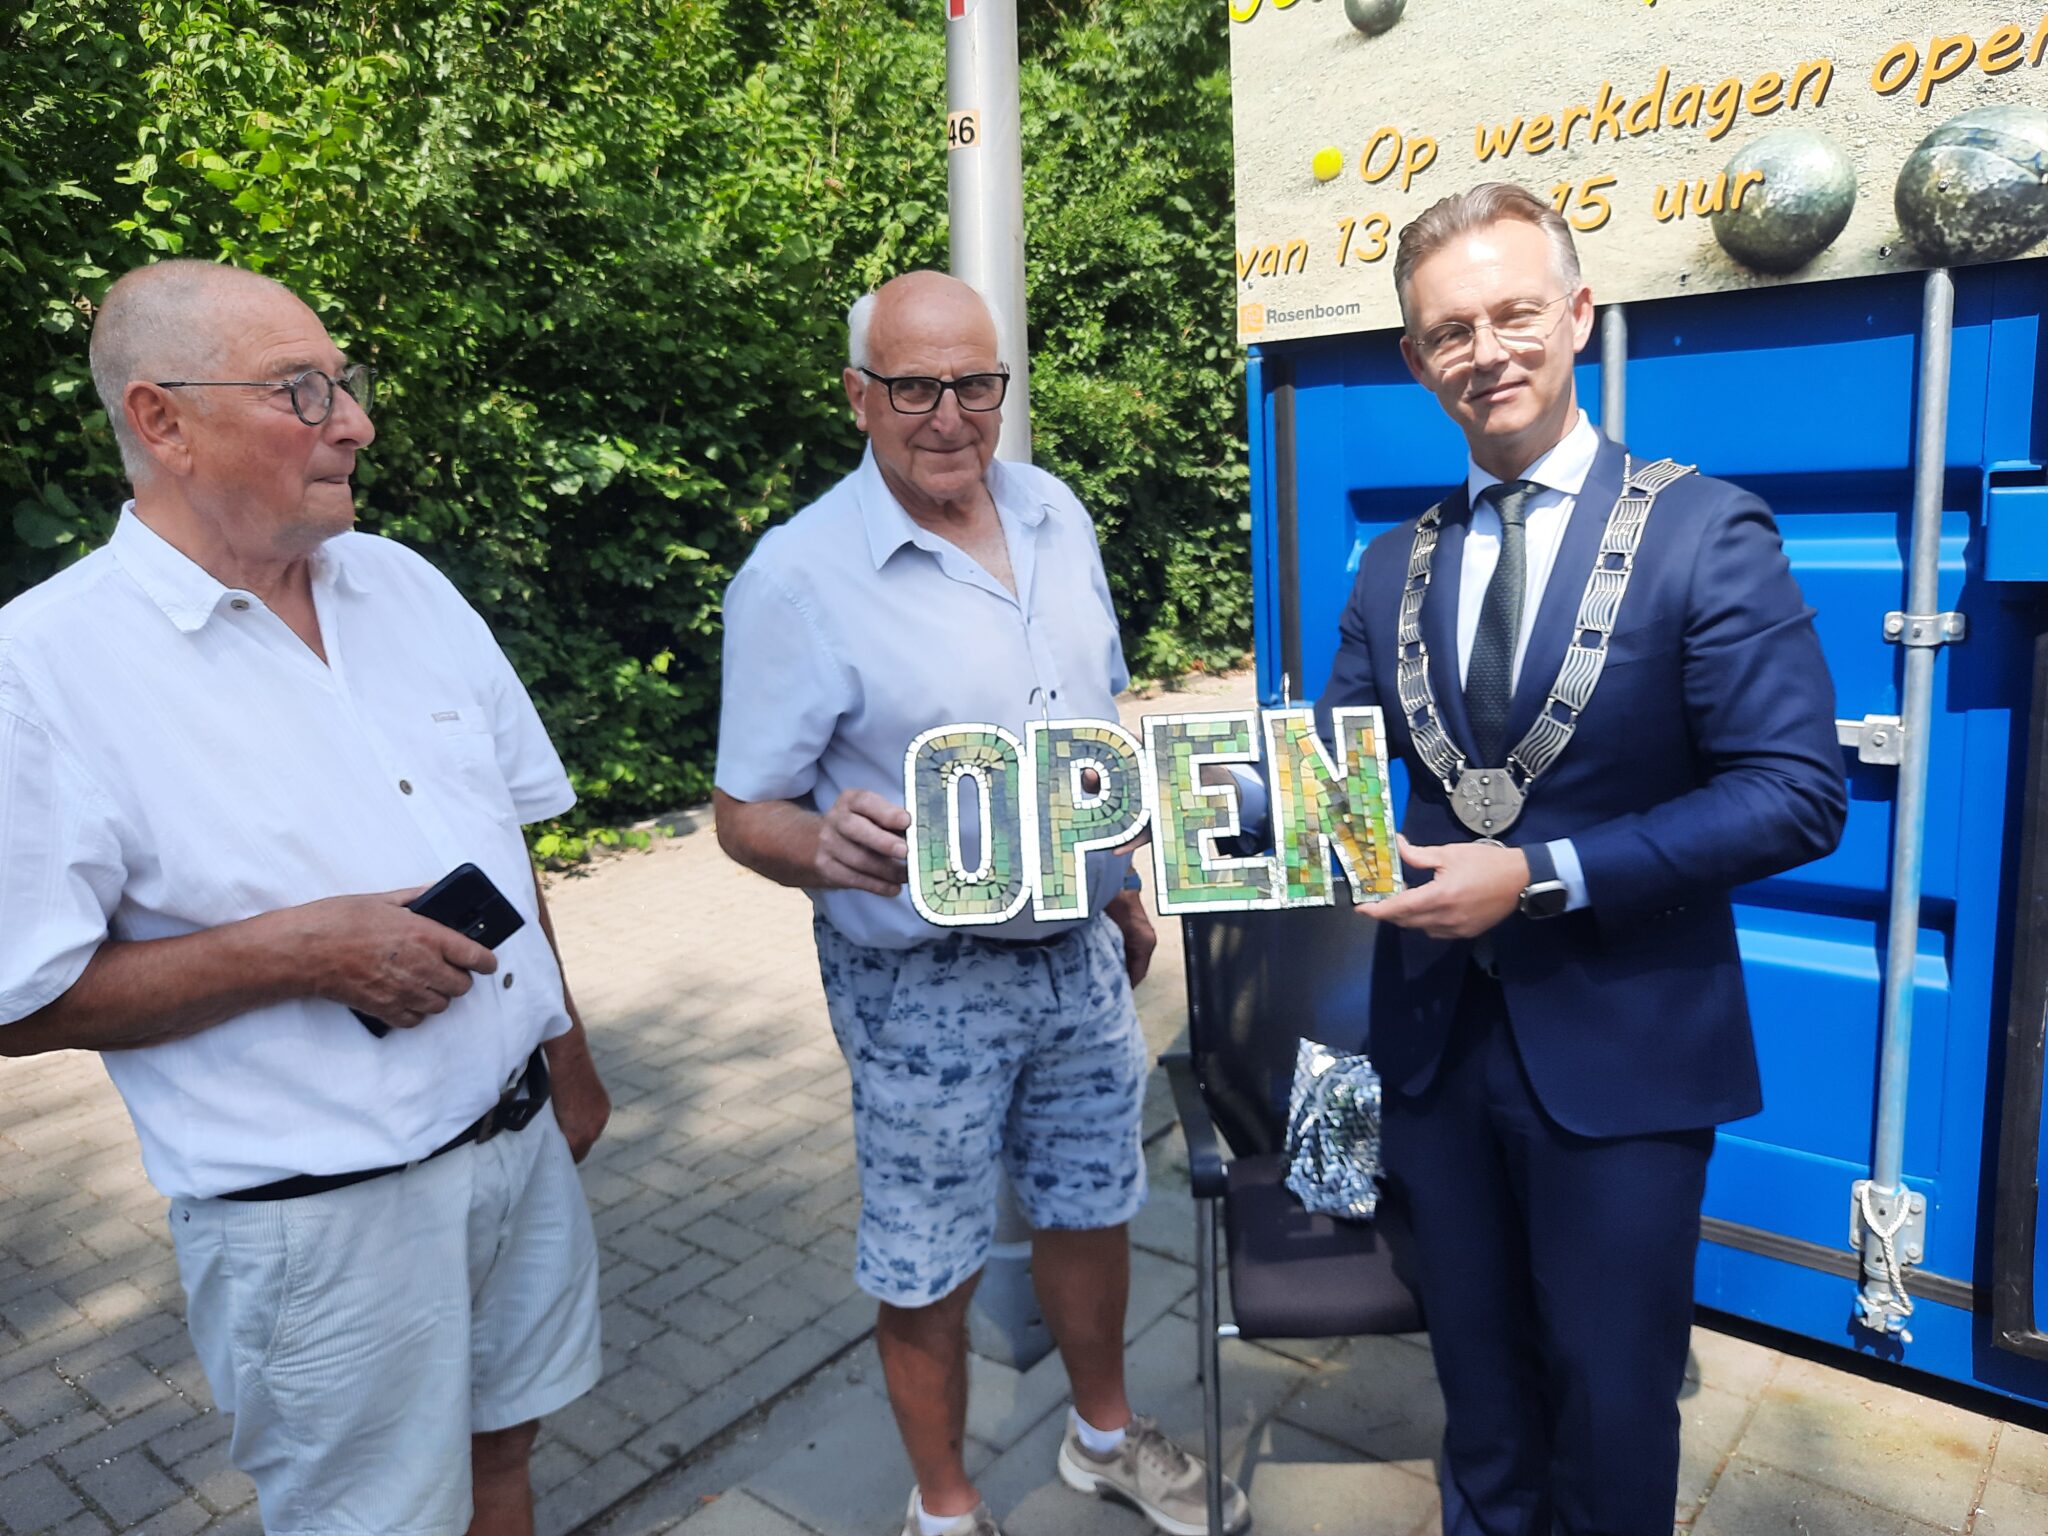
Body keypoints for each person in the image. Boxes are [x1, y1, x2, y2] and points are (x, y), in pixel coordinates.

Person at [0, 260, 612, 1536]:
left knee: (506, 1461)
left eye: (345, 383)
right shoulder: (43, 671)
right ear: (161, 420)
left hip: (516, 1144)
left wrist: (565, 1047)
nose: (356, 421)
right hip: (324, 1228)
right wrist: (294, 953)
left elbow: (506, 842)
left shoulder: (406, 586)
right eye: (304, 389)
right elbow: (18, 1001)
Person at [1318, 184, 1846, 1532]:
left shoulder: (1703, 531)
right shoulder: (1391, 565)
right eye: (1448, 331)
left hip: (1625, 1048)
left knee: (1612, 1407)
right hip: (1434, 1050)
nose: (1484, 351)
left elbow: (1796, 796)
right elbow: (1318, 770)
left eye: (1511, 314)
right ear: (1413, 359)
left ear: (1576, 315)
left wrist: (1544, 874)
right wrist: (1141, 816)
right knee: (1478, 1395)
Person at [713, 270, 1249, 1536]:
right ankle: (945, 1507)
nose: (947, 414)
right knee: (926, 1257)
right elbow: (743, 813)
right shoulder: (794, 578)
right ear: (857, 396)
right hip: (917, 982)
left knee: (1092, 1200)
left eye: (974, 383)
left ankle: (1102, 1439)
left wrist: (1116, 887)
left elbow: (1091, 717)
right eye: (912, 386)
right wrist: (819, 845)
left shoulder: (1053, 510)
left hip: (1072, 948)